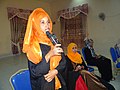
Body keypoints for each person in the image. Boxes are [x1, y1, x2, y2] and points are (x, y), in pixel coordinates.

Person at [22, 8, 66, 90]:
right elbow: (34, 72)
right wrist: (49, 54)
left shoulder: (53, 40)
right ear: (35, 24)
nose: (47, 25)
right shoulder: (33, 46)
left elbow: (64, 61)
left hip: (58, 80)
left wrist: (55, 71)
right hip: (43, 84)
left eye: (48, 22)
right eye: (42, 22)